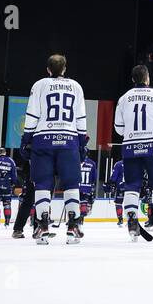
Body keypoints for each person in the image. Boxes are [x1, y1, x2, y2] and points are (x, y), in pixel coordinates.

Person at [24, 54, 90, 244]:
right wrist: (81, 142)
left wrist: (26, 138)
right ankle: (73, 225)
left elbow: (32, 114)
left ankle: (42, 224)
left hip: (43, 139)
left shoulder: (39, 85)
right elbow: (81, 118)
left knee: (43, 183)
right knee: (71, 184)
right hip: (69, 140)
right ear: (64, 69)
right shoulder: (76, 86)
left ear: (48, 69)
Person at [115, 63, 153, 242]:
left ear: (133, 79)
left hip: (131, 144)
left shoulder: (124, 98)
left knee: (132, 184)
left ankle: (132, 221)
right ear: (147, 78)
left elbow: (118, 128)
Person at [78, 150, 97, 222]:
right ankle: (81, 218)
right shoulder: (92, 163)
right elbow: (94, 178)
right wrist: (92, 188)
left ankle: (74, 219)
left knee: (75, 202)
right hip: (87, 187)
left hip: (76, 186)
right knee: (83, 202)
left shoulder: (75, 161)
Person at [107, 158, 126, 226]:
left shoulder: (118, 164)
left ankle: (120, 219)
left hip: (120, 187)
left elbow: (114, 176)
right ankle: (132, 219)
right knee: (130, 204)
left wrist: (111, 183)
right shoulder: (134, 163)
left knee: (118, 203)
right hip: (131, 187)